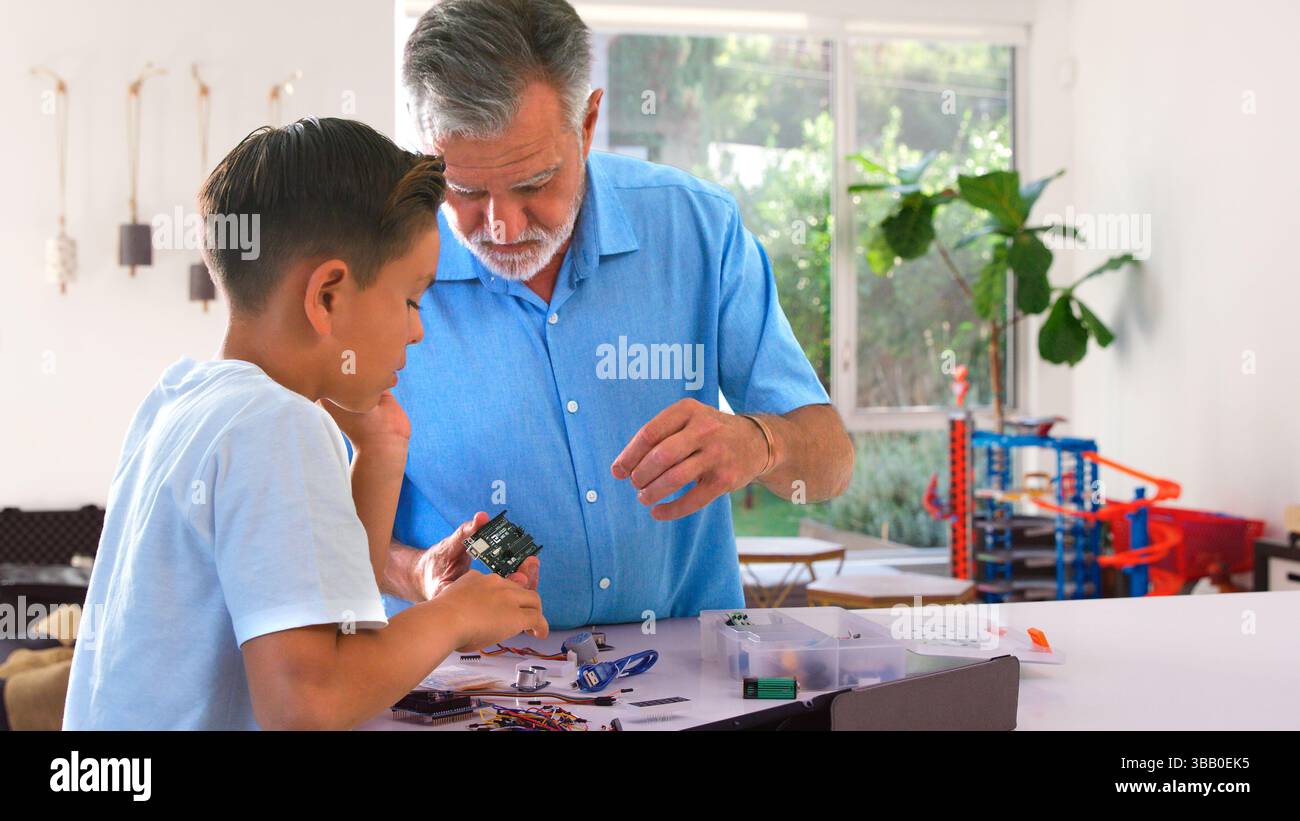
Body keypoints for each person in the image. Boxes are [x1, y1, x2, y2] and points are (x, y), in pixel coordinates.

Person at [384, 0, 855, 628]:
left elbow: (831, 464)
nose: (501, 226)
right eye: (465, 191)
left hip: (694, 687)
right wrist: (415, 573)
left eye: (533, 183)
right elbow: (322, 531)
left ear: (588, 123)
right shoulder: (382, 270)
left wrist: (759, 442)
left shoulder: (698, 228)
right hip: (476, 697)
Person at [63, 118, 547, 730]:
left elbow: (339, 625)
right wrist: (452, 618)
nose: (417, 330)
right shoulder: (277, 425)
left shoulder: (181, 398)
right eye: (409, 300)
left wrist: (381, 447)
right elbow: (307, 704)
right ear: (327, 297)